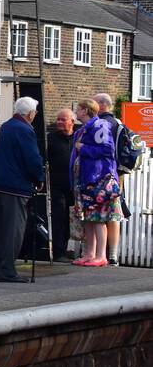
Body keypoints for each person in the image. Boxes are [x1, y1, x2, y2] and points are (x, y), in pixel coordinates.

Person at [0, 97, 46, 283]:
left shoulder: (6, 126)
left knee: (0, 229)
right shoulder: (25, 130)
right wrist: (39, 178)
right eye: (35, 113)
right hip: (16, 186)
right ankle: (7, 270)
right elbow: (32, 158)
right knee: (14, 229)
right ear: (30, 114)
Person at [70, 99, 121, 267]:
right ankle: (90, 254)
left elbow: (107, 150)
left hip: (98, 179)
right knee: (89, 218)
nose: (76, 112)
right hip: (87, 178)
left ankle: (101, 256)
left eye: (78, 109)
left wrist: (82, 148)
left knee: (99, 218)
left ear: (85, 110)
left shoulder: (100, 126)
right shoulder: (86, 128)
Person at [93, 93, 127, 265]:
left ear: (103, 105)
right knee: (114, 214)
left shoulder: (101, 124)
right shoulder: (119, 123)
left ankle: (99, 253)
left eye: (95, 103)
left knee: (99, 214)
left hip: (101, 175)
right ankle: (112, 254)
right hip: (116, 175)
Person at [47, 108, 76, 260]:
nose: (59, 122)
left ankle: (81, 251)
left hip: (75, 185)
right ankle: (59, 252)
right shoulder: (51, 138)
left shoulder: (79, 137)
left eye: (63, 119)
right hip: (57, 184)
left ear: (72, 121)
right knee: (59, 217)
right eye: (58, 119)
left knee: (74, 218)